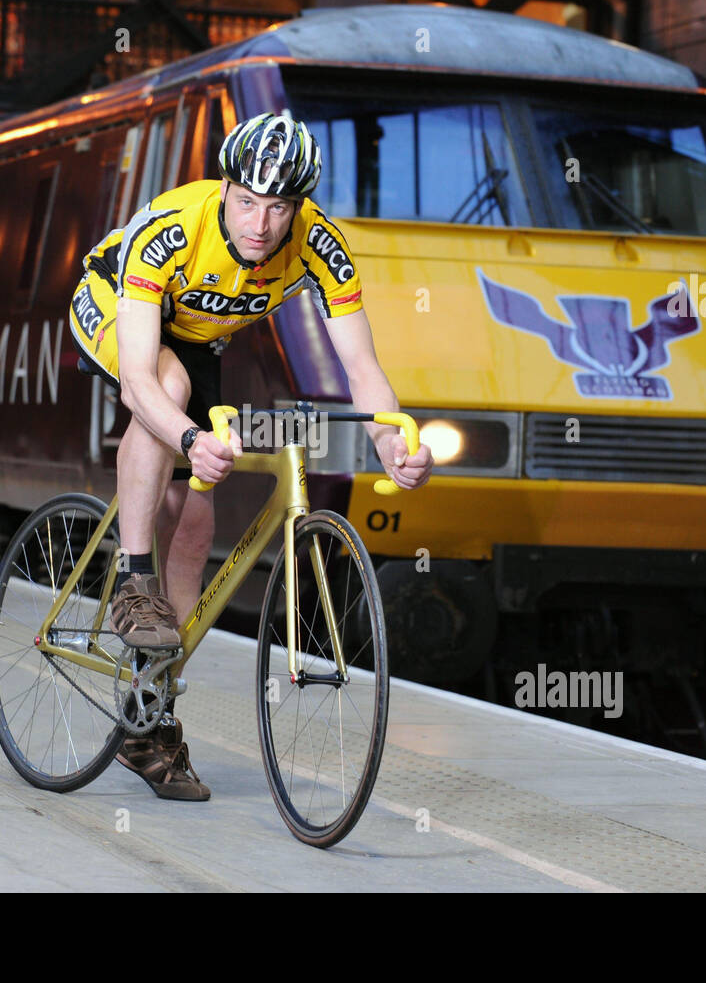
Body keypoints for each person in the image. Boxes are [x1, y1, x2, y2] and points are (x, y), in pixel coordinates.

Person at [68, 112, 434, 801]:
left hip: (199, 339)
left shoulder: (321, 245)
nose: (260, 225)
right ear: (226, 190)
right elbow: (143, 379)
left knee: (200, 519)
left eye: (278, 207)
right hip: (116, 307)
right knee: (169, 392)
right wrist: (186, 438)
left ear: (298, 207)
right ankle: (133, 579)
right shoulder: (173, 230)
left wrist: (393, 442)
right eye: (246, 202)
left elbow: (363, 367)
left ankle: (150, 718)